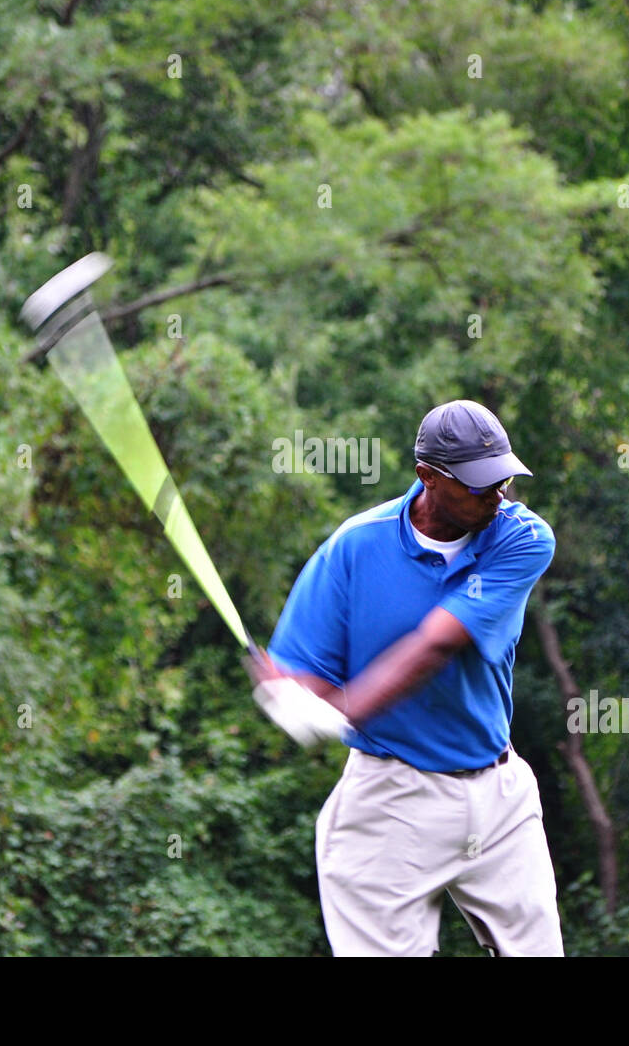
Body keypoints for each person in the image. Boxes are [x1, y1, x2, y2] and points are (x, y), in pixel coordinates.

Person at [249, 399, 564, 957]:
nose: (497, 495)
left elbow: (436, 643)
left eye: (503, 480)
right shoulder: (354, 548)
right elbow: (307, 677)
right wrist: (290, 693)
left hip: (498, 795)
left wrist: (344, 710)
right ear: (428, 477)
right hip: (391, 798)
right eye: (478, 484)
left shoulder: (522, 538)